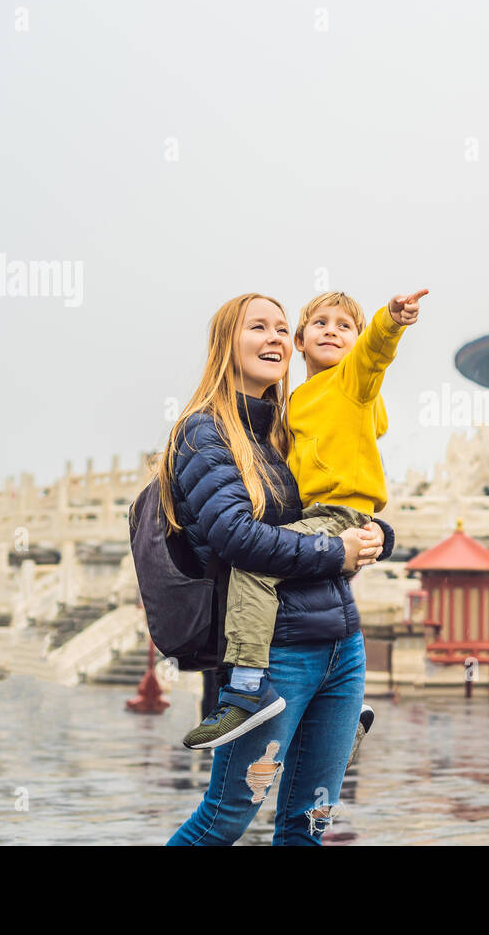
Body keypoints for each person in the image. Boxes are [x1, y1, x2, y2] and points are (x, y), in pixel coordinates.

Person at [161, 291, 395, 845]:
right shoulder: (206, 432)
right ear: (226, 343)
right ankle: (244, 695)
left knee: (309, 822)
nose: (272, 338)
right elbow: (236, 537)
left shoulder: (284, 431)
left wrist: (378, 535)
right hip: (273, 657)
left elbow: (330, 514)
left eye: (279, 328)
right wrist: (338, 552)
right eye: (256, 327)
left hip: (341, 645)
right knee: (224, 820)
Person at [182, 287, 425, 749]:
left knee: (255, 568)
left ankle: (248, 690)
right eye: (320, 323)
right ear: (301, 340)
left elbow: (375, 353)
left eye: (344, 326)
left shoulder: (352, 381)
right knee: (289, 812)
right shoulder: (289, 406)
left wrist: (390, 321)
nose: (332, 331)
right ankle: (340, 709)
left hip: (336, 516)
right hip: (318, 541)